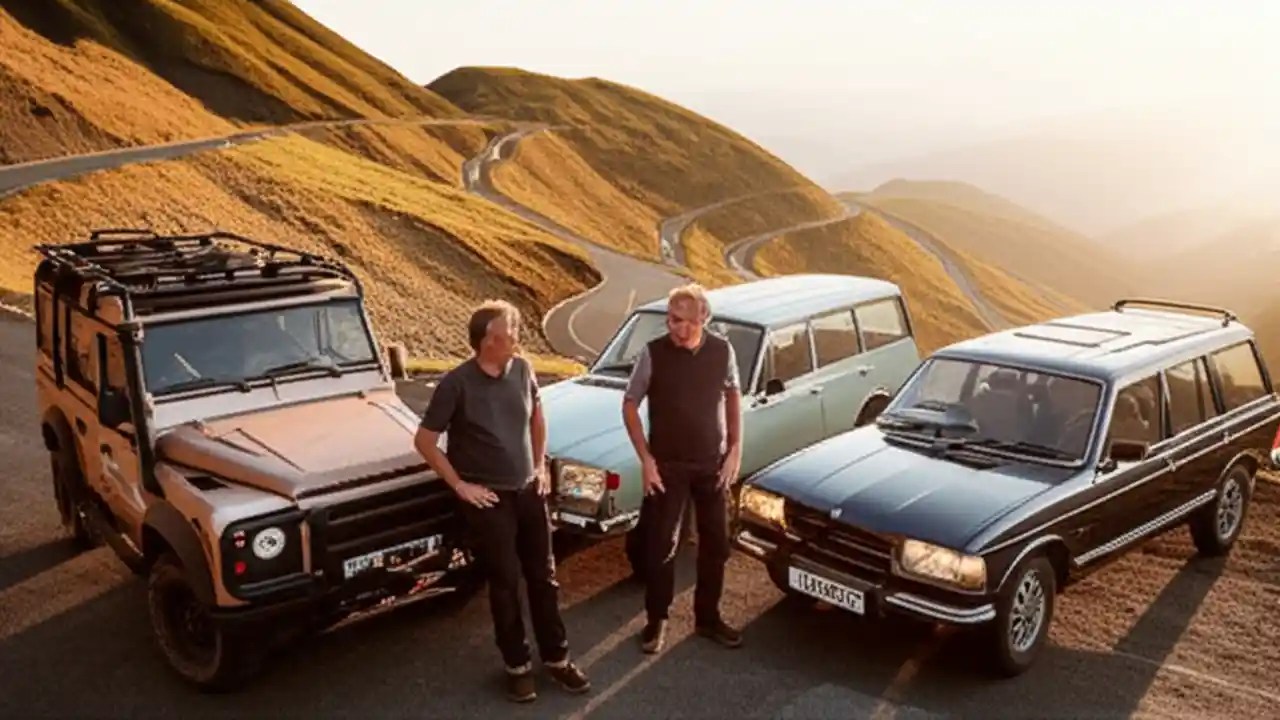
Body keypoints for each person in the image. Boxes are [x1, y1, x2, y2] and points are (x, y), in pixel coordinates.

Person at [413, 299, 590, 703]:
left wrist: (541, 465)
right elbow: (425, 441)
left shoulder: (524, 370)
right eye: (506, 333)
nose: (514, 338)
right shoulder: (456, 384)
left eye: (513, 330)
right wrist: (460, 486)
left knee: (544, 577)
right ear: (485, 341)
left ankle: (557, 658)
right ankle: (518, 666)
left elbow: (537, 417)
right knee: (506, 581)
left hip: (529, 490)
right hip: (488, 499)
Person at [621, 283, 744, 654]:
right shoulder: (653, 354)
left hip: (711, 464)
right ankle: (656, 621)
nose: (674, 327)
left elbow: (733, 393)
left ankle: (707, 619)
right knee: (661, 547)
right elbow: (629, 404)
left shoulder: (723, 351)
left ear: (703, 319)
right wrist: (646, 460)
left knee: (717, 545)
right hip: (667, 466)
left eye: (682, 321)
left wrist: (736, 447)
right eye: (671, 319)